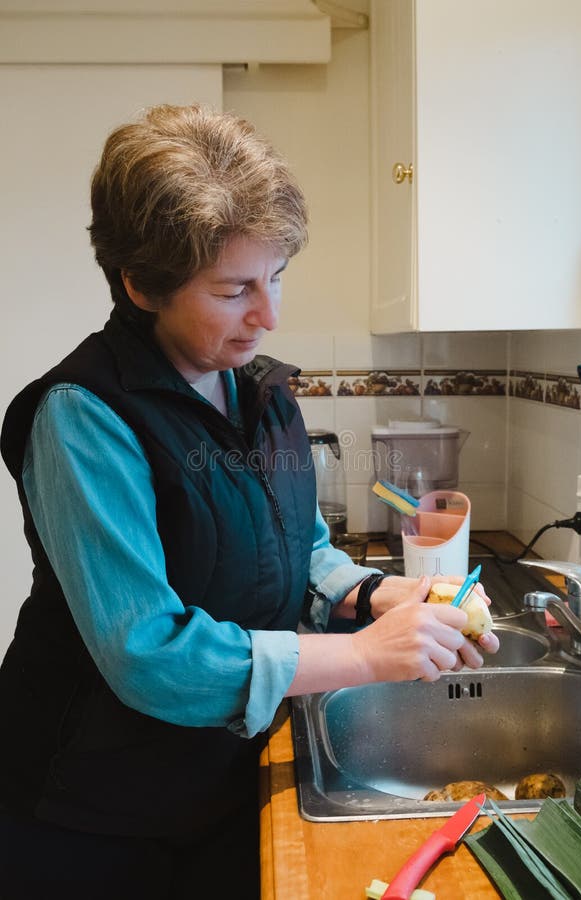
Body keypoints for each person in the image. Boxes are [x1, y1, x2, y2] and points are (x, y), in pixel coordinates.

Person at [0, 104, 498, 899]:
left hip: (220, 786)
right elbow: (149, 653)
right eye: (235, 289)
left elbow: (300, 550)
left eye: (275, 279)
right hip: (90, 815)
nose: (268, 316)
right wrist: (368, 654)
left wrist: (376, 591)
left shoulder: (260, 392)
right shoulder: (84, 416)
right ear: (141, 285)